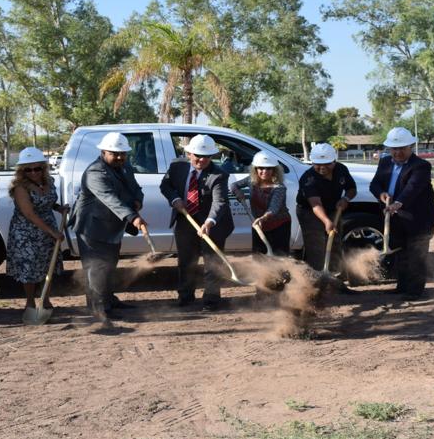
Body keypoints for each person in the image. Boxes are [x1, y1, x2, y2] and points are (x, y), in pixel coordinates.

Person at [70, 131, 146, 328]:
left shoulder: (125, 167)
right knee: (95, 268)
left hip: (112, 226)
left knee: (110, 265)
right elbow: (110, 199)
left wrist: (137, 201)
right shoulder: (95, 172)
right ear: (104, 152)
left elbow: (135, 188)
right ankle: (97, 308)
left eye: (123, 153)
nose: (120, 157)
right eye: (115, 153)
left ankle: (109, 301)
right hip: (92, 227)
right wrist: (133, 217)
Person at [158, 134, 234, 309]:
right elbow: (165, 186)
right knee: (186, 260)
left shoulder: (219, 174)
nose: (201, 160)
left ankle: (212, 300)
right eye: (198, 156)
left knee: (212, 261)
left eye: (206, 156)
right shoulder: (177, 167)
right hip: (186, 219)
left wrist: (209, 222)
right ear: (189, 154)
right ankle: (185, 297)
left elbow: (219, 202)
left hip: (214, 223)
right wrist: (174, 199)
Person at [368, 127, 434, 300]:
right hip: (395, 219)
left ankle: (414, 291)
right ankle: (402, 286)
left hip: (418, 219)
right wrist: (381, 194)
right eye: (394, 148)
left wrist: (398, 203)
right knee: (401, 254)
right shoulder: (384, 162)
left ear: (410, 146)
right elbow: (375, 184)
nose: (397, 152)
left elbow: (412, 189)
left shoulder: (421, 166)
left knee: (416, 256)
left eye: (401, 148)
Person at [6, 146, 66, 310]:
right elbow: (30, 214)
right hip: (26, 232)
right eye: (28, 170)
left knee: (48, 264)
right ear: (22, 171)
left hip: (47, 229)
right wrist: (52, 232)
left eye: (37, 168)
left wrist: (58, 208)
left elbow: (48, 201)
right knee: (30, 268)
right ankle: (30, 302)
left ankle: (45, 299)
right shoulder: (20, 188)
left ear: (43, 167)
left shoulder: (50, 182)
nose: (33, 172)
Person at [295, 142, 356, 289]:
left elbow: (351, 188)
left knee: (335, 242)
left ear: (334, 161)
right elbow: (315, 204)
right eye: (318, 164)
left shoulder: (341, 169)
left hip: (333, 209)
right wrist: (327, 222)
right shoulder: (308, 178)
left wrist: (345, 199)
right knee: (316, 246)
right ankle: (317, 285)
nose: (322, 168)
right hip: (310, 212)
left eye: (327, 164)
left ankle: (335, 282)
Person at [231, 150, 291, 259]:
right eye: (261, 168)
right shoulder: (251, 180)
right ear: (255, 169)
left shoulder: (279, 187)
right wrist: (239, 194)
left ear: (274, 170)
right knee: (258, 255)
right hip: (258, 224)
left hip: (279, 225)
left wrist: (263, 218)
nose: (264, 171)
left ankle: (282, 276)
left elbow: (273, 209)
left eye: (269, 168)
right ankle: (261, 276)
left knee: (279, 257)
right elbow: (234, 185)